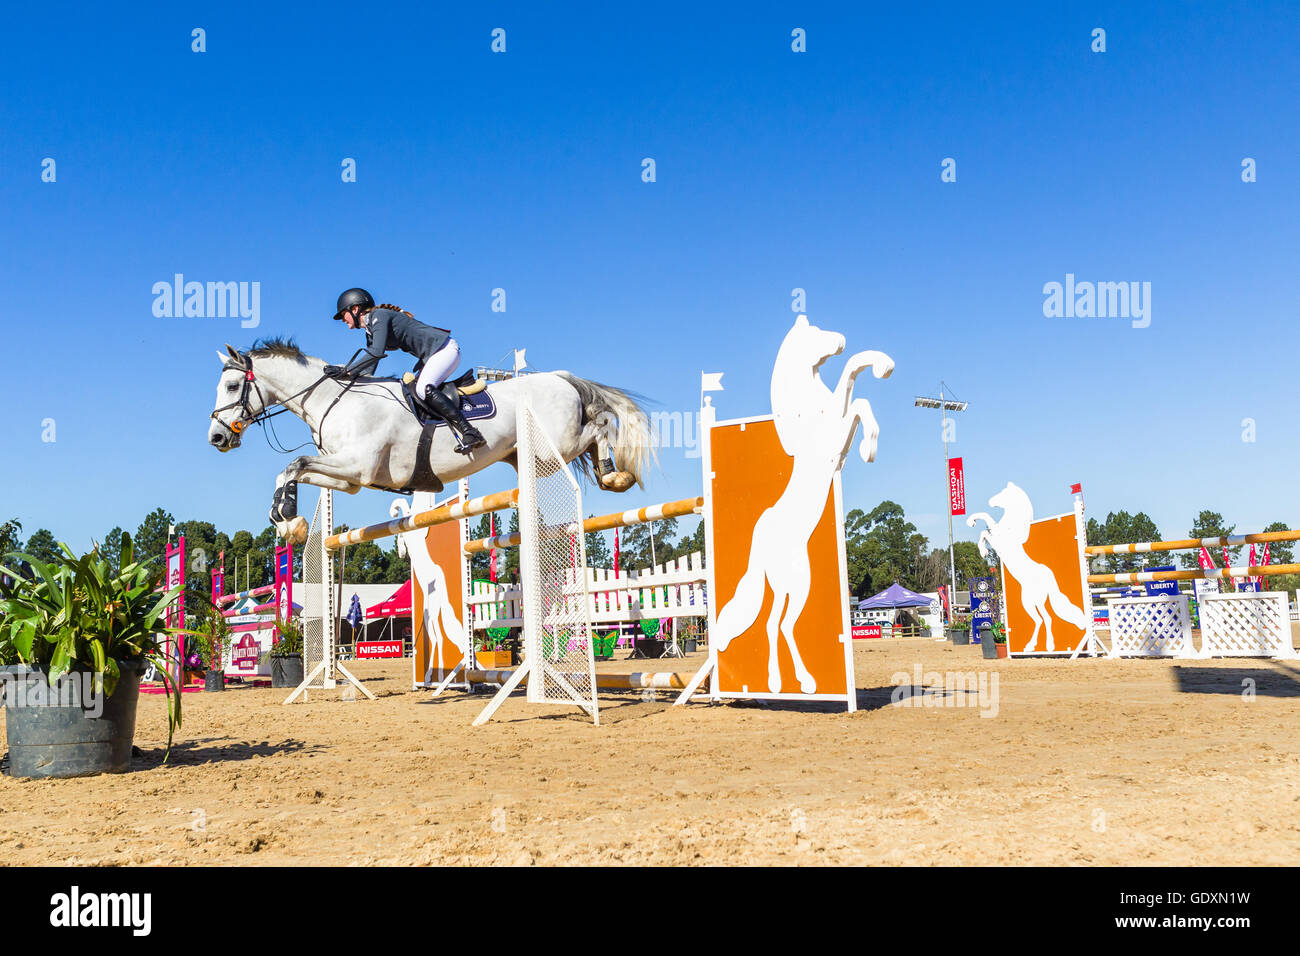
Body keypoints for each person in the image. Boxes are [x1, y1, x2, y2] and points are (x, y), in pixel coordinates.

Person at [326, 288, 485, 453]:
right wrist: (350, 382)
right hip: (432, 355)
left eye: (342, 314)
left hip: (444, 349)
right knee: (414, 394)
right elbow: (369, 368)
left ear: (355, 309)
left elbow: (376, 353)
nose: (342, 320)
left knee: (423, 389)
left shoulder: (378, 316)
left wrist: (345, 370)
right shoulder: (370, 331)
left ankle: (470, 431)